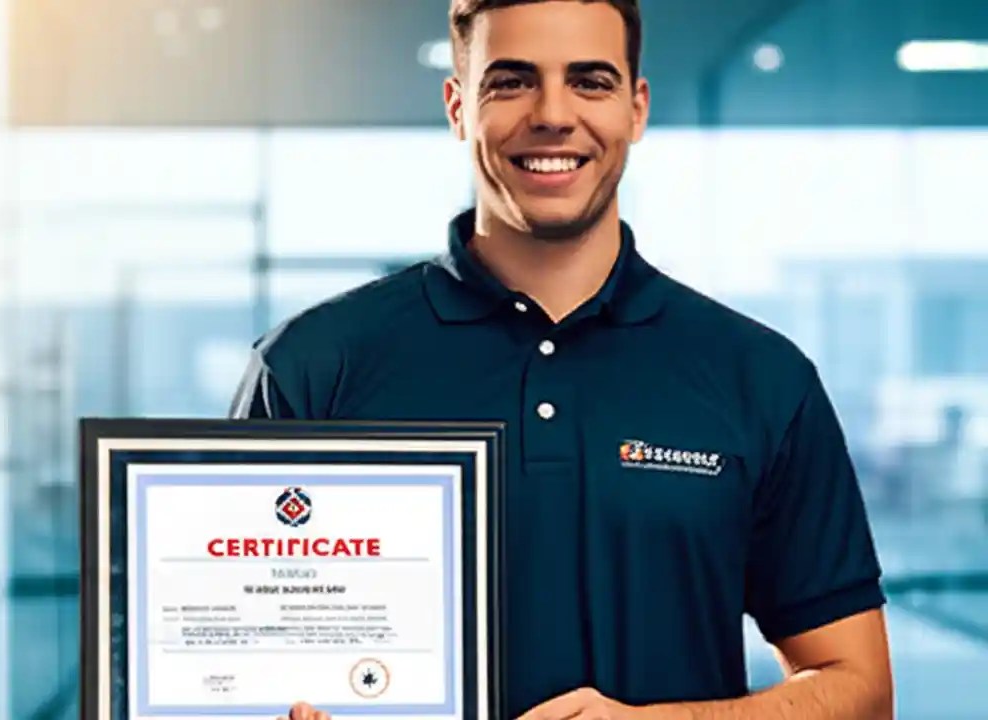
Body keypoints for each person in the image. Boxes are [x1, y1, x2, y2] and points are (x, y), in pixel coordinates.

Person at [229, 0, 894, 718]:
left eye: (590, 82)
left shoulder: (759, 377)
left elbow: (858, 688)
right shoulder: (312, 367)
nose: (552, 114)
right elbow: (218, 673)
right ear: (458, 107)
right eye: (511, 82)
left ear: (636, 108)